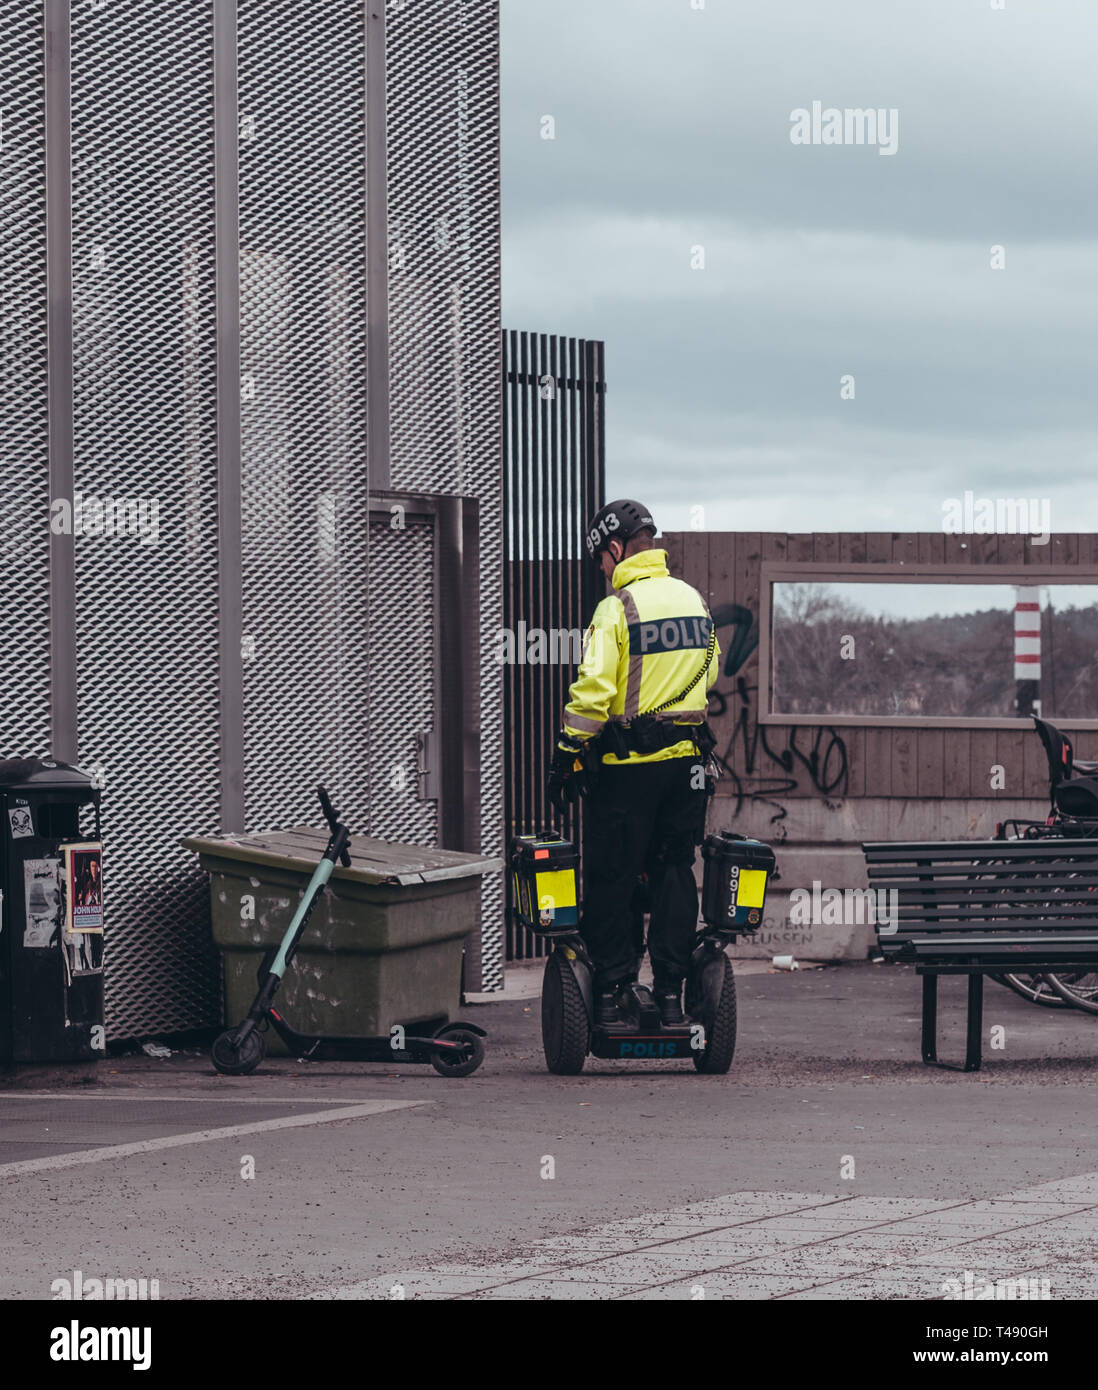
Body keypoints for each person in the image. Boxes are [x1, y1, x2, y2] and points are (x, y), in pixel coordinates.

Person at [547, 500, 722, 1027]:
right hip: (686, 766)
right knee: (673, 872)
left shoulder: (617, 608)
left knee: (613, 876)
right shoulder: (693, 600)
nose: (602, 568)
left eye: (601, 558)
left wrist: (565, 753)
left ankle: (613, 991)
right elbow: (708, 674)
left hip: (626, 771)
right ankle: (670, 992)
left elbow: (594, 692)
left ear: (617, 548)